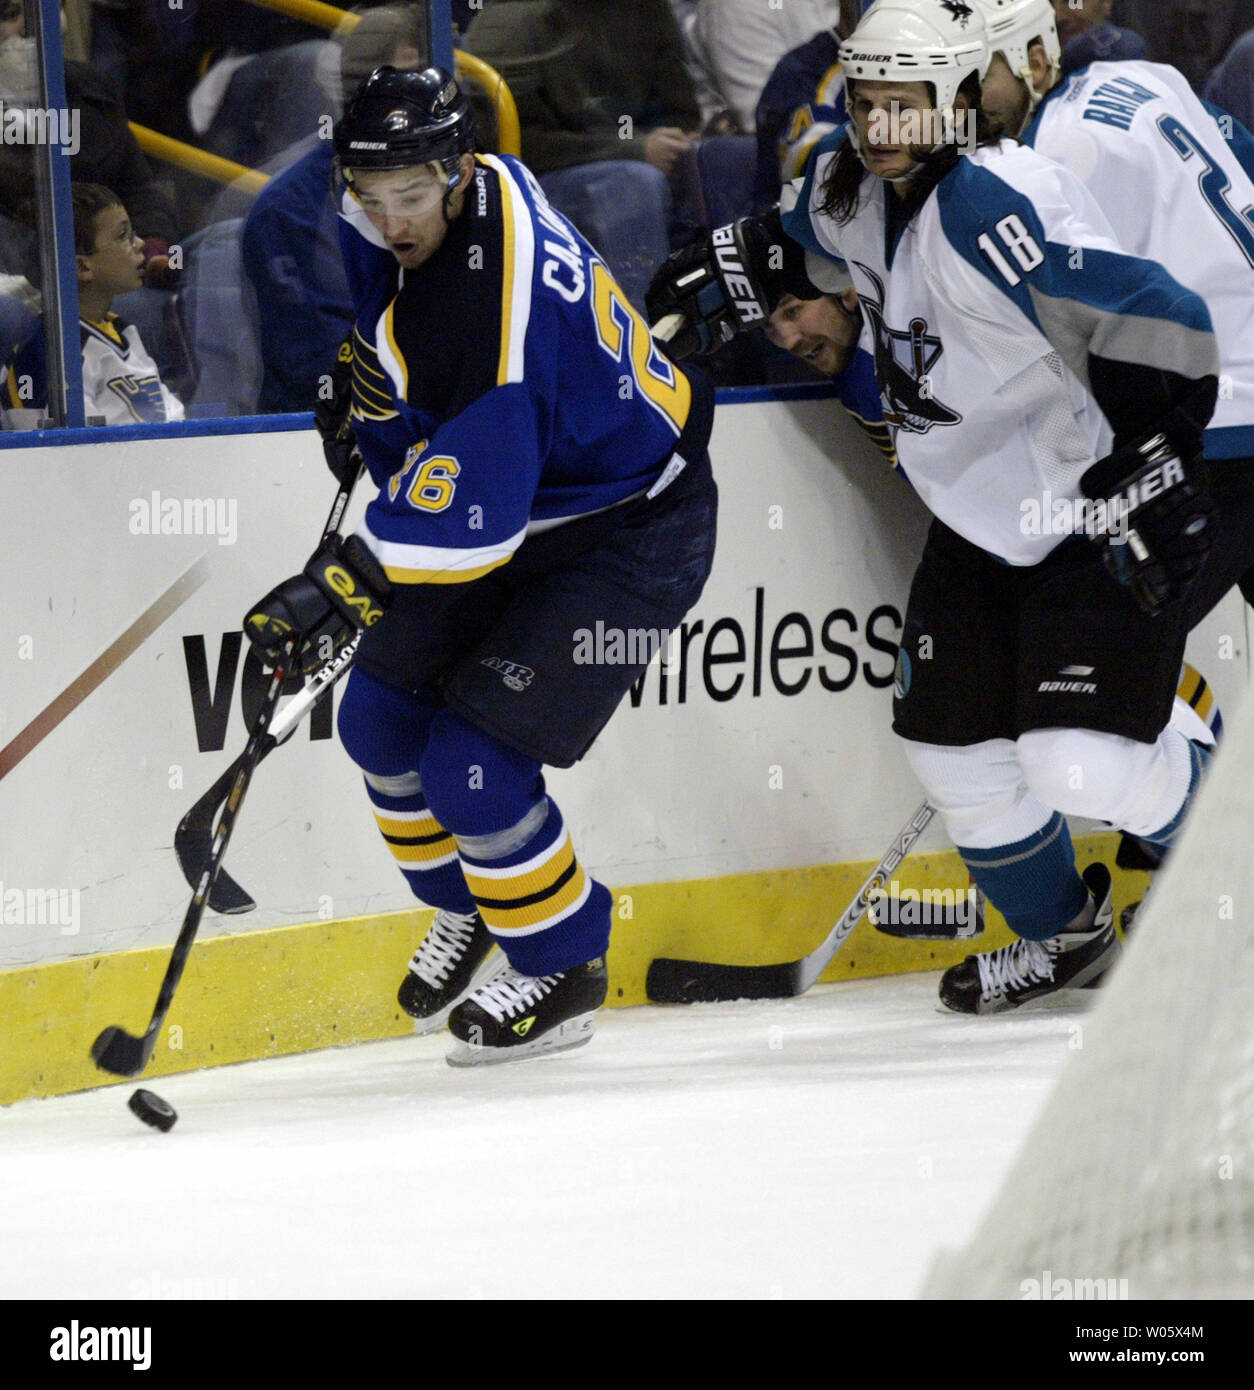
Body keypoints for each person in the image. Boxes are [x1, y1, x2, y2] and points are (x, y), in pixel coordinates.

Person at [648, 0, 1254, 1014]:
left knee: (1084, 765)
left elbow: (1169, 318)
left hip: (1073, 511)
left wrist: (1153, 458)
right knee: (952, 756)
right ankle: (1065, 934)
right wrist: (737, 269)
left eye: (904, 106)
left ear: (956, 102)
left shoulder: (998, 208)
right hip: (977, 519)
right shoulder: (847, 179)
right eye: (869, 103)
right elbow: (799, 239)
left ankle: (1226, 866)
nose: (882, 127)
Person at [243, 67, 718, 1064]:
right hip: (539, 500)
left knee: (471, 765)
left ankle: (561, 962)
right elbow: (410, 340)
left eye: (411, 196)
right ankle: (475, 906)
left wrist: (350, 575)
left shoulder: (493, 301)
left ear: (457, 174)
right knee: (377, 719)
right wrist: (366, 389)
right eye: (370, 195)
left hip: (631, 527)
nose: (389, 217)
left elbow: (478, 514)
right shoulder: (447, 193)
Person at [463, 0, 702, 309]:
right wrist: (632, 149)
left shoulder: (648, 8)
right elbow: (517, 146)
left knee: (720, 161)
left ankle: (733, 338)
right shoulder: (512, 18)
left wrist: (670, 142)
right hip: (538, 180)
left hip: (637, 165)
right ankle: (640, 337)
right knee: (632, 184)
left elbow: (681, 111)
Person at [4, 182, 184, 425]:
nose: (140, 243)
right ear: (82, 266)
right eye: (123, 236)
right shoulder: (51, 351)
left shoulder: (120, 329)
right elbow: (64, 452)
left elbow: (172, 416)